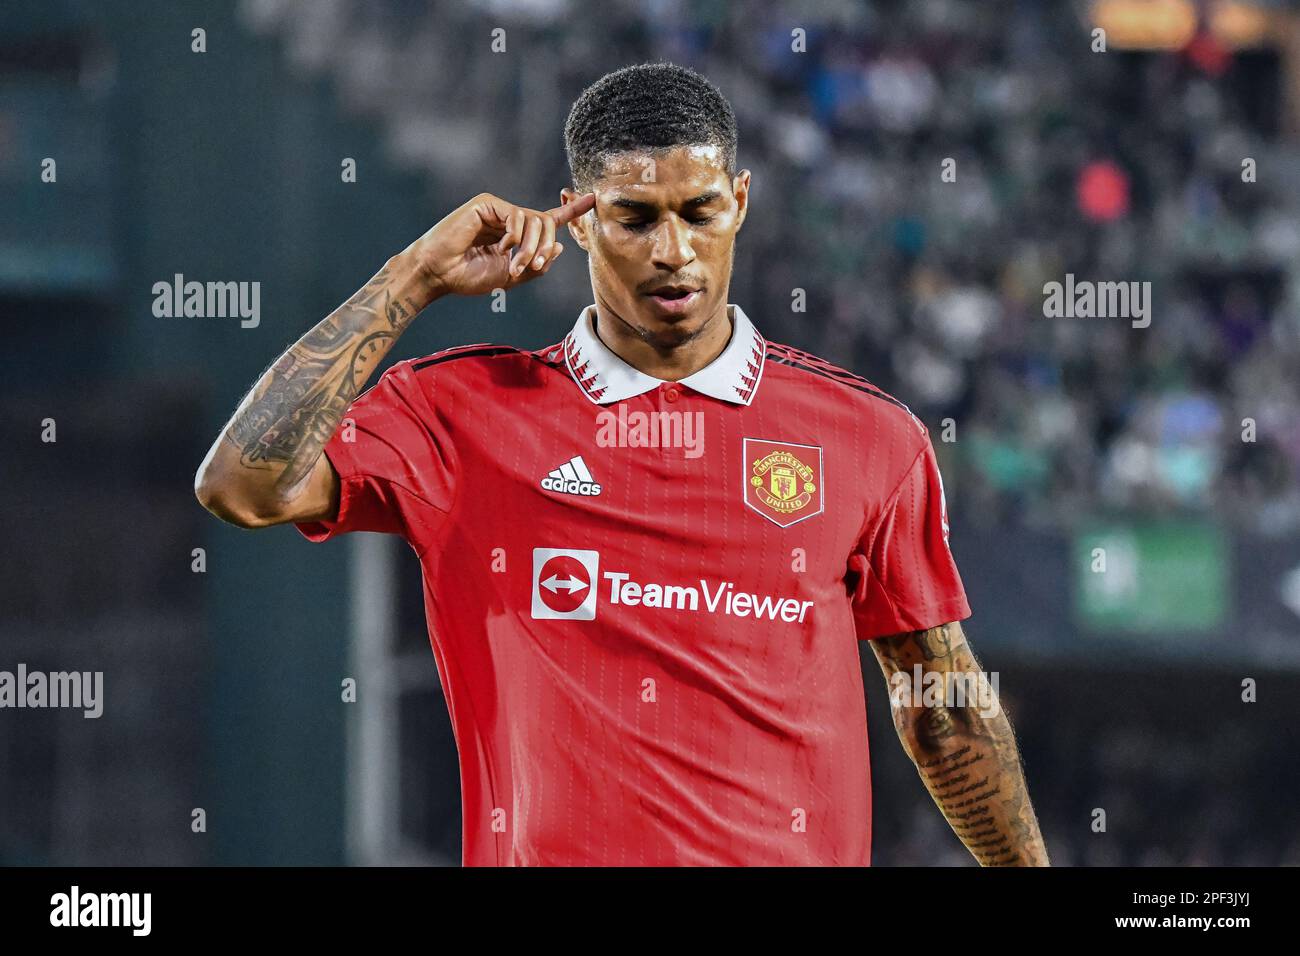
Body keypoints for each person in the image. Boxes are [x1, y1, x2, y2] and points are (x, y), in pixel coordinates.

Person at [194, 62, 1047, 866]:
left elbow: (944, 713)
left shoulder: (867, 437)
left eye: (699, 211)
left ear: (741, 202)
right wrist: (412, 277)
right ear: (580, 216)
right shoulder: (462, 415)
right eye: (636, 218)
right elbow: (243, 484)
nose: (672, 249)